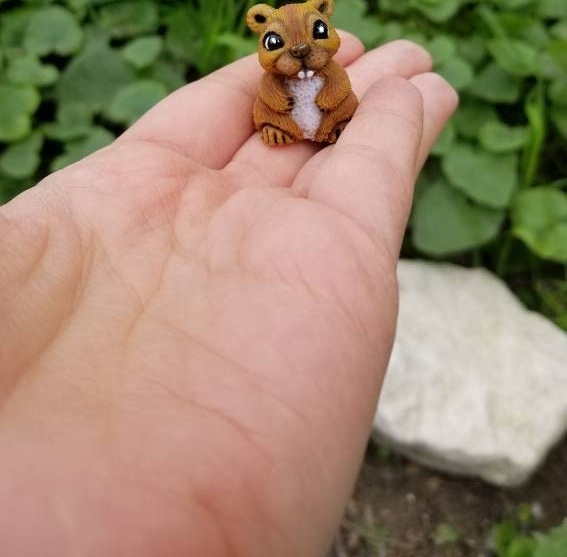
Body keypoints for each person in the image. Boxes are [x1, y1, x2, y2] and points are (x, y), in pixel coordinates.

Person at [0, 34, 457, 557]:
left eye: (315, 33)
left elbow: (332, 90)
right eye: (279, 39)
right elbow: (270, 95)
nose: (302, 50)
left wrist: (327, 100)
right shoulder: (271, 81)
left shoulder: (328, 75)